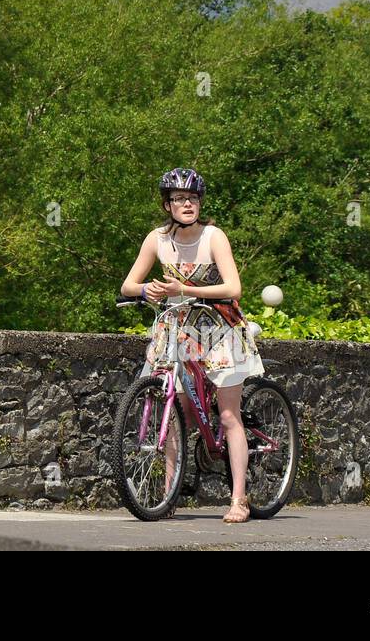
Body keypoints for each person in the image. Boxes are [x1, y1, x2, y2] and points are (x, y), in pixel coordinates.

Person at [121, 167, 264, 523]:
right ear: (167, 205)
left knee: (229, 416)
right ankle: (168, 495)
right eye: (179, 200)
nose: (187, 204)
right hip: (177, 330)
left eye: (192, 199)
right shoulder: (157, 239)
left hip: (219, 331)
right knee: (175, 417)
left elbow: (233, 288)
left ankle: (239, 500)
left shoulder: (214, 236)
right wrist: (146, 290)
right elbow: (127, 285)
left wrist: (185, 289)